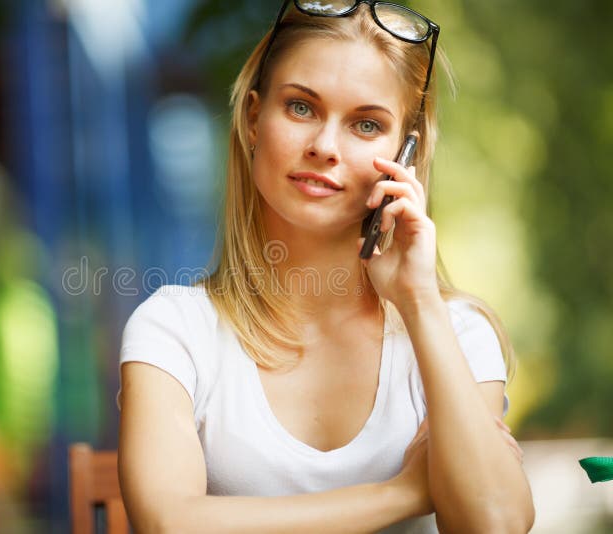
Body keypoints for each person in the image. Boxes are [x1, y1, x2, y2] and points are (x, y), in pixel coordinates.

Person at [117, 1, 535, 532]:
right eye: (300, 108)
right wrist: (402, 492)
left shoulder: (455, 331)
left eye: (365, 124)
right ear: (252, 119)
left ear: (406, 157)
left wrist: (419, 301)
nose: (324, 147)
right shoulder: (175, 329)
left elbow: (496, 525)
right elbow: (166, 525)